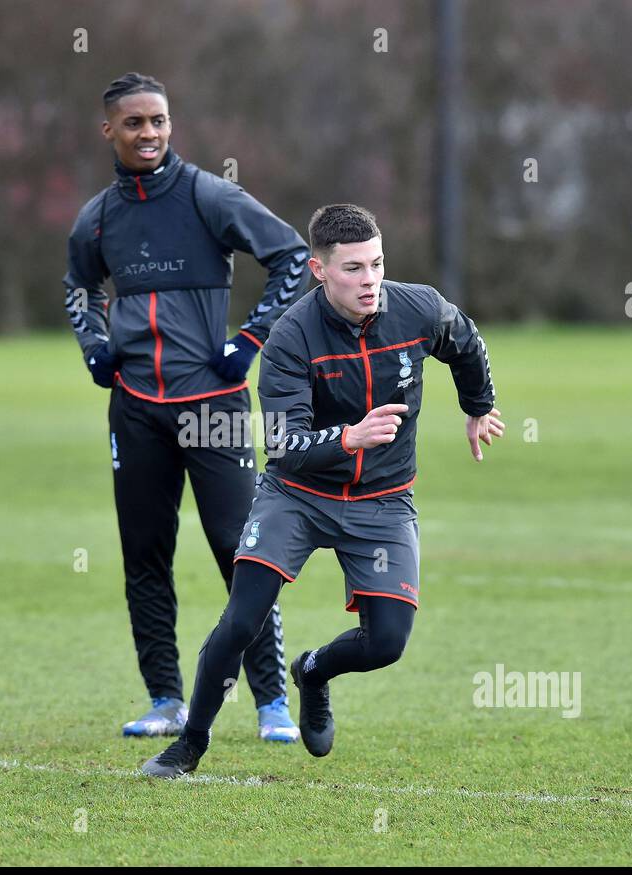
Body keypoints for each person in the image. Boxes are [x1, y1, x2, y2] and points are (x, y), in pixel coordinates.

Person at [142, 203, 504, 777]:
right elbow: (283, 444)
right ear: (319, 270)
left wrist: (478, 407)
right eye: (353, 269)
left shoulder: (418, 308)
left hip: (383, 501)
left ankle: (313, 671)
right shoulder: (290, 338)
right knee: (242, 620)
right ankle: (190, 743)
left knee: (387, 642)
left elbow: (463, 340)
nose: (370, 281)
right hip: (298, 496)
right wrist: (351, 437)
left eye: (377, 264)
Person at [64, 73, 310, 741]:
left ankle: (272, 705)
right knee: (145, 553)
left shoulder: (208, 195)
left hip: (216, 406)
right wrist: (95, 346)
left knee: (242, 552)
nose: (150, 133)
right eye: (135, 123)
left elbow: (291, 256)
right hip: (137, 409)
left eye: (159, 121)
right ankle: (165, 699)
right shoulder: (99, 216)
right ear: (108, 130)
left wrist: (251, 340)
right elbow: (78, 287)